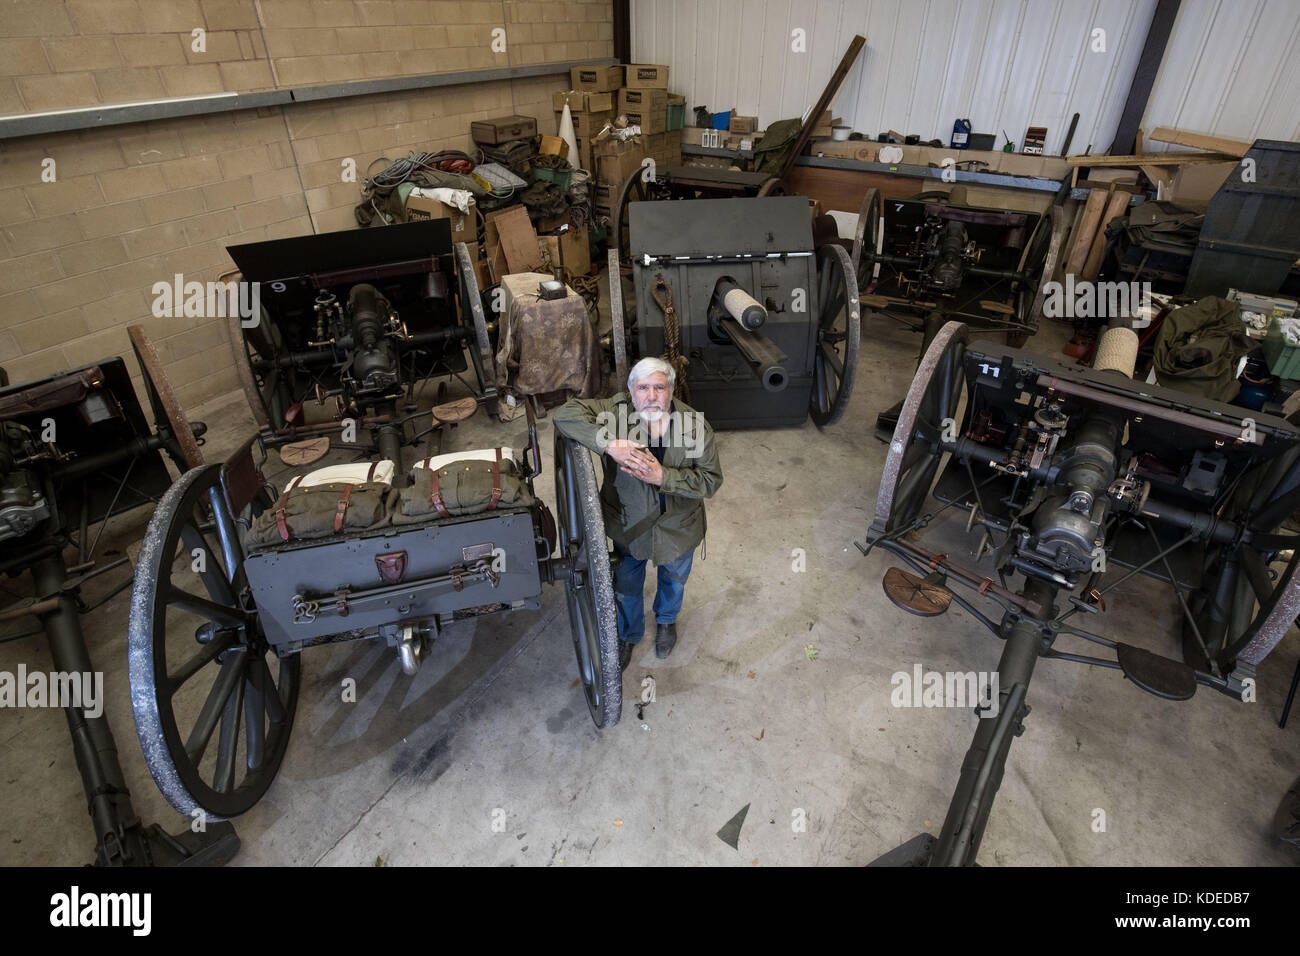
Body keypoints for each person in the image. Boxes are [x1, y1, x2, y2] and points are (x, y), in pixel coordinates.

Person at [553, 357, 722, 670]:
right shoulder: (613, 415)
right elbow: (565, 414)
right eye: (643, 388)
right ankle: (629, 634)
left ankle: (667, 621)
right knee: (627, 585)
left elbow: (711, 482)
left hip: (678, 528)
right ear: (631, 391)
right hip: (629, 529)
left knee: (673, 581)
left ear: (671, 391)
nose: (652, 396)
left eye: (660, 387)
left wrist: (664, 477)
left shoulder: (695, 427)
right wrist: (607, 444)